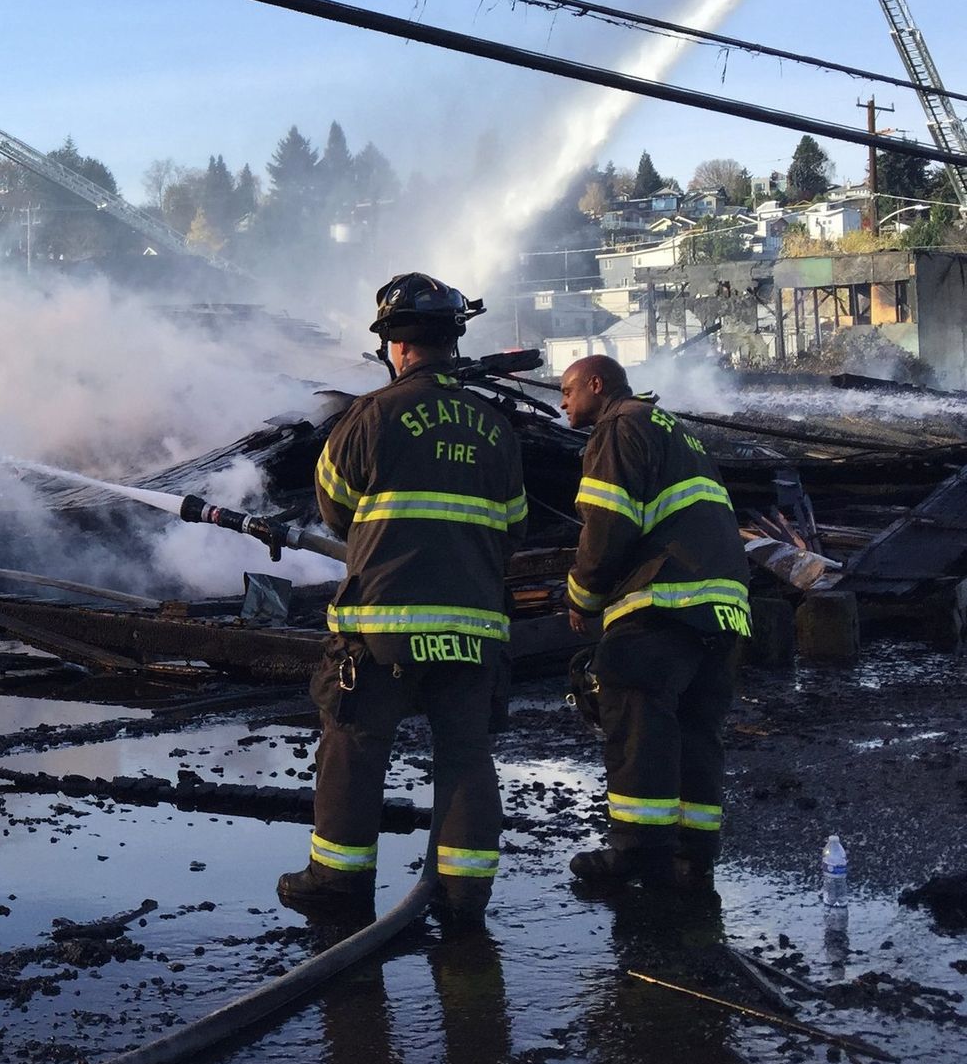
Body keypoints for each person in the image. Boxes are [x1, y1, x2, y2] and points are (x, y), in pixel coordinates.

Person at [277, 272, 527, 929]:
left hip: (381, 626)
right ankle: (464, 896)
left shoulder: (369, 417)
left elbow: (335, 512)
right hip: (473, 627)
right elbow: (514, 525)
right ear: (452, 340)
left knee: (355, 744)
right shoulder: (496, 428)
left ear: (394, 344)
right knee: (467, 754)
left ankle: (337, 883)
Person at [558, 354, 750, 889]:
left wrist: (582, 596)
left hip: (663, 602)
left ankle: (637, 852)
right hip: (722, 607)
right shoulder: (675, 430)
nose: (563, 402)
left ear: (597, 385)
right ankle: (693, 855)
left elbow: (607, 525)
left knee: (638, 722)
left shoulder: (620, 428)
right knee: (695, 730)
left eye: (569, 390)